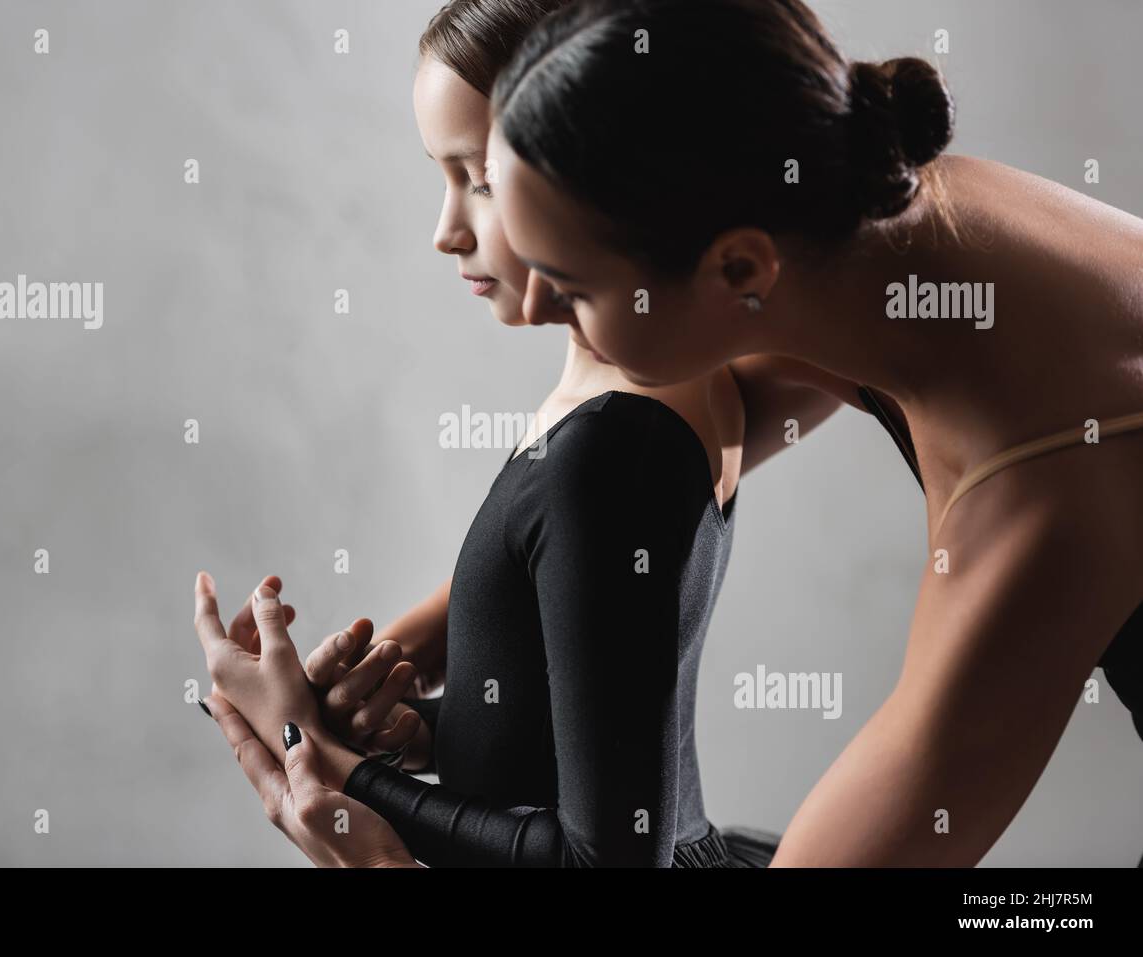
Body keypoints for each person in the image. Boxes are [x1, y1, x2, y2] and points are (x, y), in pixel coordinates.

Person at [478, 0, 1143, 865]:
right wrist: (423, 645)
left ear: (740, 267)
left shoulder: (1043, 490)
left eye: (569, 284)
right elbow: (692, 445)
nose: (531, 309)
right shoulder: (887, 234)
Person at [194, 0, 831, 867]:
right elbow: (561, 720)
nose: (446, 230)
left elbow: (604, 859)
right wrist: (410, 723)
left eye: (480, 179)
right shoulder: (651, 382)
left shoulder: (616, 438)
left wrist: (323, 760)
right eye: (443, 174)